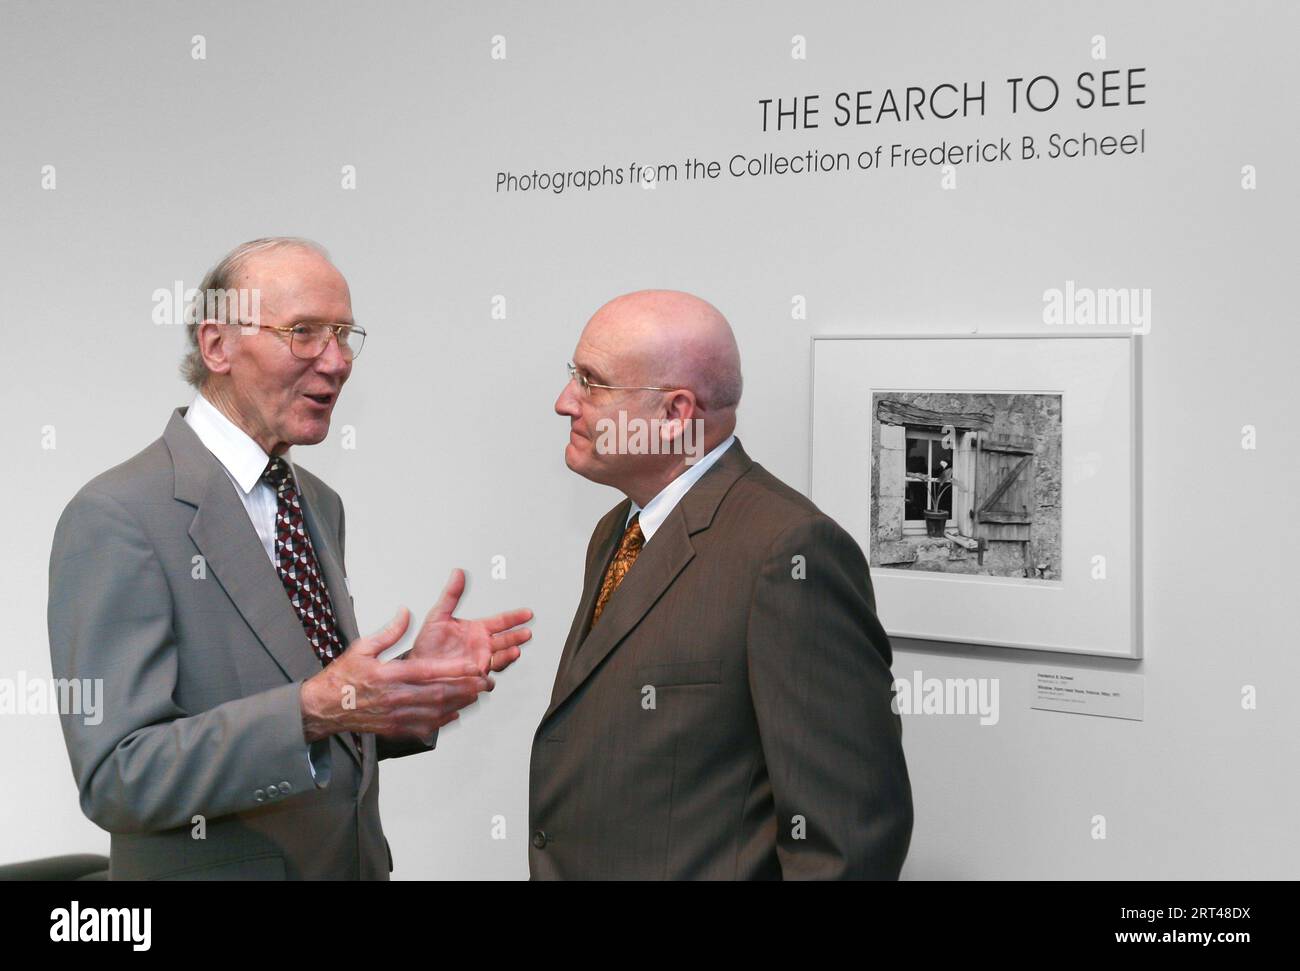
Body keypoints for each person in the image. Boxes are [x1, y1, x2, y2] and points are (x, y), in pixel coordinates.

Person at [47, 237, 532, 880]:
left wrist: (408, 684)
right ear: (216, 345)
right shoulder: (118, 514)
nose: (336, 362)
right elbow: (118, 775)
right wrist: (312, 708)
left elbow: (322, 715)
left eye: (343, 334)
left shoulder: (316, 502)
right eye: (303, 333)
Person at [529, 289, 912, 879]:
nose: (564, 402)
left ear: (676, 413)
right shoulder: (618, 529)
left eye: (592, 382)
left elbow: (849, 837)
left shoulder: (788, 552)